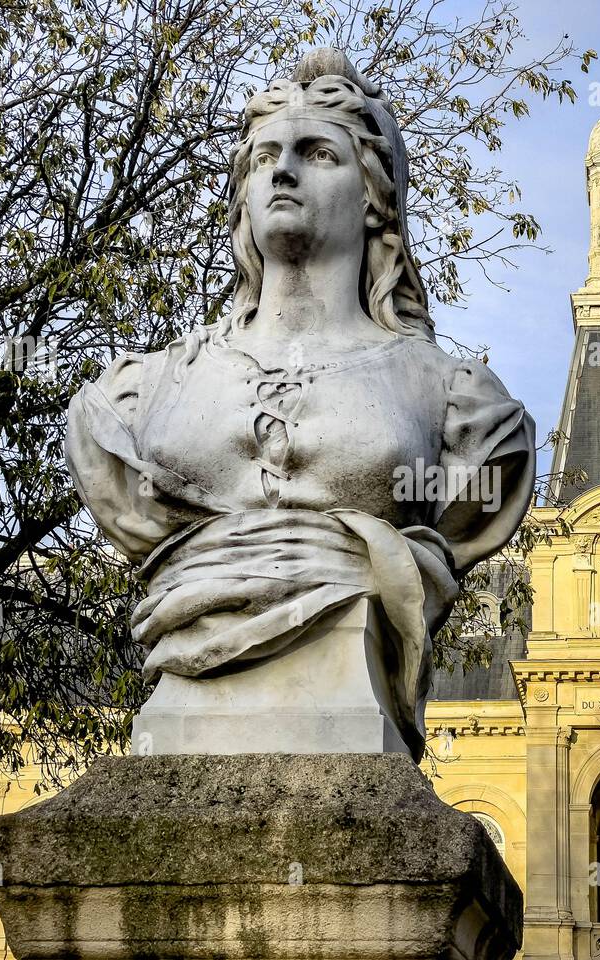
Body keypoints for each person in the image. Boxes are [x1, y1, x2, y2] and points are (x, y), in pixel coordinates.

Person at [66, 48, 535, 760]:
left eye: (318, 153)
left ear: (376, 195)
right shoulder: (132, 398)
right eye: (262, 158)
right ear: (244, 193)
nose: (282, 170)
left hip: (357, 689)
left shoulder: (461, 407)